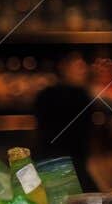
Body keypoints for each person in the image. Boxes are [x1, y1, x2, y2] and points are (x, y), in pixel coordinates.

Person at [33, 51, 95, 188]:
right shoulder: (81, 96)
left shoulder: (44, 95)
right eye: (78, 66)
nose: (83, 70)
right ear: (63, 67)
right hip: (73, 166)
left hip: (45, 164)